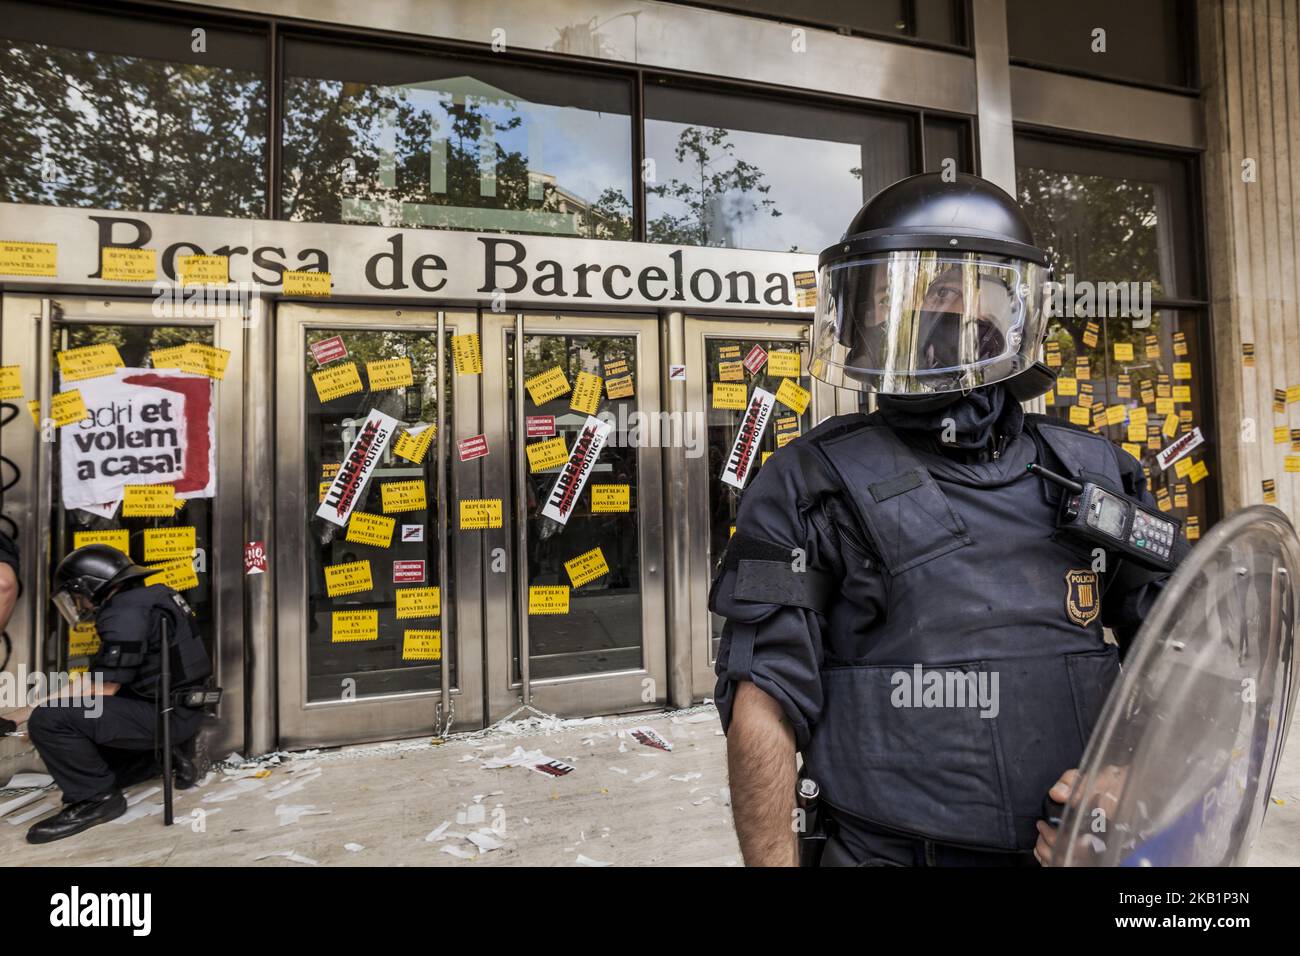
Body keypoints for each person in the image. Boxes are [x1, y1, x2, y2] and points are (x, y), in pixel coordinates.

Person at [710, 172, 1186, 867]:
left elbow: (1185, 654)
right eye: (897, 294)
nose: (929, 315)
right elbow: (764, 704)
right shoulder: (805, 482)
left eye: (954, 290)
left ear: (1012, 308)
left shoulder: (1094, 472)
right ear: (857, 316)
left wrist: (1125, 784)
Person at [0, 544, 212, 843]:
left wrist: (31, 715)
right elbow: (106, 679)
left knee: (50, 721)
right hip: (177, 709)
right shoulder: (152, 596)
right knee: (89, 753)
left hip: (166, 716)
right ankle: (161, 759)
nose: (81, 604)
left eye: (77, 596)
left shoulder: (122, 613)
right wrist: (20, 714)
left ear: (91, 585)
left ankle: (97, 800)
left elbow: (102, 688)